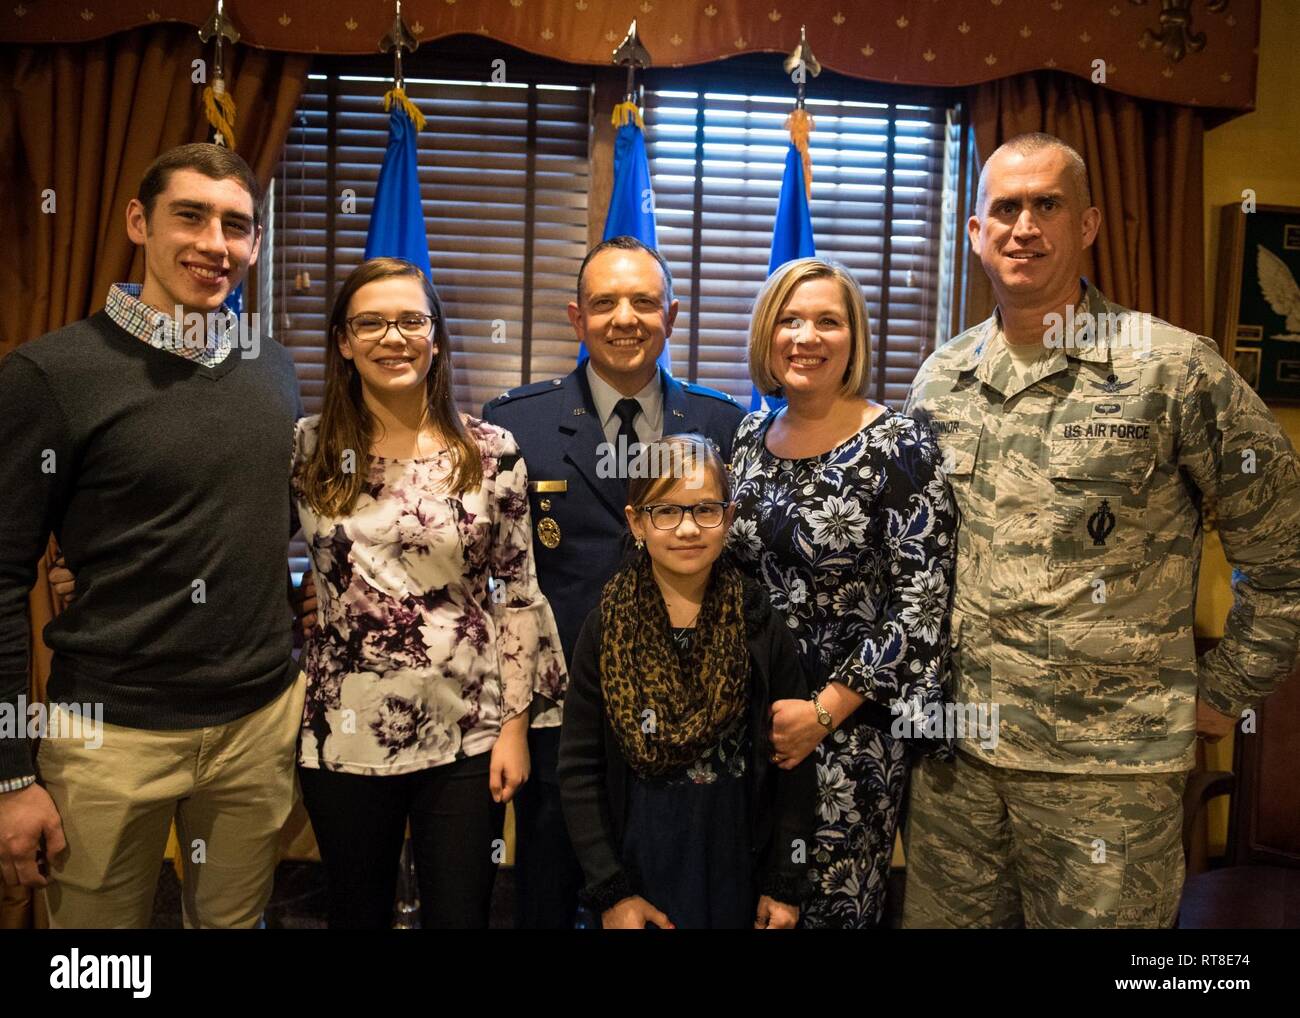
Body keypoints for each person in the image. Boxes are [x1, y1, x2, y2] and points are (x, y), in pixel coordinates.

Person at [901, 132, 1300, 928]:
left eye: (1046, 205)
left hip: (1108, 781)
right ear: (976, 234)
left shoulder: (1175, 371)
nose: (1024, 227)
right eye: (1004, 209)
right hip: (958, 768)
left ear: (1087, 225)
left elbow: (1285, 559)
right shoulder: (942, 379)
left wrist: (1223, 697)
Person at [0, 144, 305, 927]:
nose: (215, 244)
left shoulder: (272, 367)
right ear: (139, 222)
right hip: (107, 740)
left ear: (256, 243)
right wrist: (7, 776)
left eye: (237, 225)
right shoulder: (49, 375)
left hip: (258, 725)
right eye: (191, 216)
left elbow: (261, 528)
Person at [291, 257, 566, 929]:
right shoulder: (306, 448)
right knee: (355, 915)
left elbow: (519, 595)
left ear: (436, 336)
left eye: (412, 320)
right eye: (371, 323)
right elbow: (244, 549)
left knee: (461, 917)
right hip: (344, 733)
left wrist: (515, 728)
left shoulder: (490, 450)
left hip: (468, 734)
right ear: (344, 342)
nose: (394, 337)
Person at [481, 236, 746, 928]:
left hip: (687, 713)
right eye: (604, 304)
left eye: (643, 302)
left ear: (672, 314)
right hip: (561, 709)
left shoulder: (723, 424)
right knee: (547, 888)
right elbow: (495, 576)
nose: (624, 317)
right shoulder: (517, 424)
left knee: (673, 897)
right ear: (577, 318)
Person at [727, 257, 959, 928]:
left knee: (822, 912)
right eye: (791, 321)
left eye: (828, 321)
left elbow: (918, 607)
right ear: (767, 336)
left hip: (848, 741)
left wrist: (822, 714)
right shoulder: (747, 439)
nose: (808, 337)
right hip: (754, 728)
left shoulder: (898, 446)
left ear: (853, 340)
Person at [558, 433, 815, 928]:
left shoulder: (758, 622)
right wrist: (613, 893)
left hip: (735, 863)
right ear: (636, 522)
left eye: (705, 510)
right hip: (638, 865)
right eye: (666, 512)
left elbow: (794, 769)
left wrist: (784, 882)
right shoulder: (607, 626)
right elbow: (579, 770)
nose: (688, 529)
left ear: (730, 517)